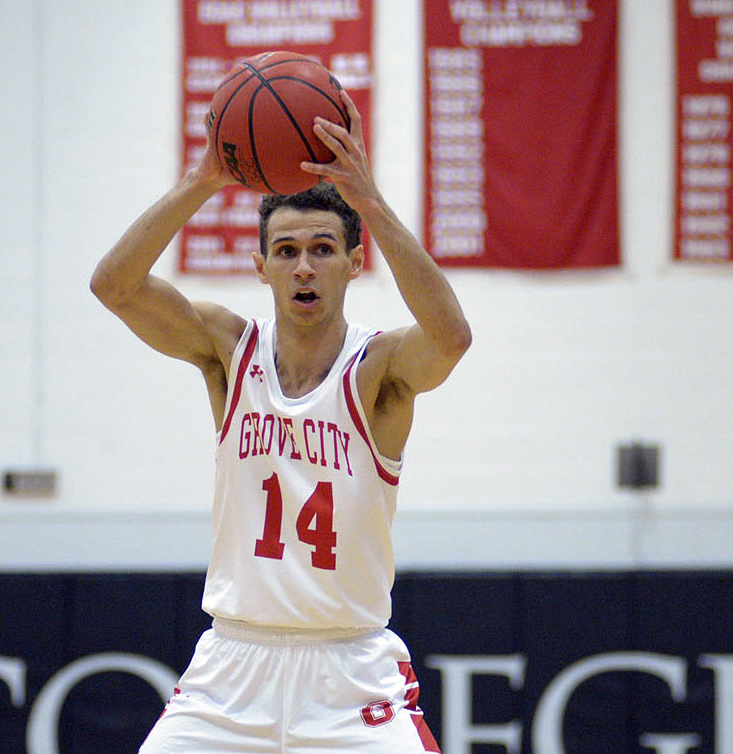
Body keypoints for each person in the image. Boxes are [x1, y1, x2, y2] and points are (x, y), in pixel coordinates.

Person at [91, 89, 471, 754]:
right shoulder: (227, 349)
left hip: (349, 672)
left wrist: (370, 202)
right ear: (261, 266)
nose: (304, 267)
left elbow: (451, 338)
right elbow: (113, 286)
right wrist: (202, 178)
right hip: (232, 669)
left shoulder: (377, 370)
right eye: (286, 250)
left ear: (354, 263)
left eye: (323, 249)